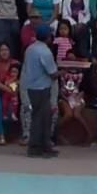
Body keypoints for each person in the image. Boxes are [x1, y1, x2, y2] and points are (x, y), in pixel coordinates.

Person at [22, 24, 59, 157]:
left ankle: (43, 145)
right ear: (47, 37)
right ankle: (36, 147)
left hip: (31, 86)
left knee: (40, 116)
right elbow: (52, 73)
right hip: (42, 88)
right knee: (41, 118)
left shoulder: (30, 48)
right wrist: (63, 71)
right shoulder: (45, 52)